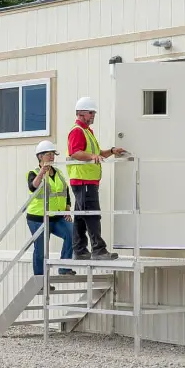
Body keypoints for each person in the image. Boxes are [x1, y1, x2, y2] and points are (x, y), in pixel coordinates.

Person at [67, 96, 126, 260]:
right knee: (92, 215)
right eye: (90, 113)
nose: (93, 115)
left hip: (86, 181)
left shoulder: (87, 132)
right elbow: (75, 153)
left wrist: (112, 151)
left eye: (94, 113)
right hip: (83, 180)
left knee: (81, 216)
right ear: (80, 113)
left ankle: (80, 250)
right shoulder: (77, 131)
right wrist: (93, 156)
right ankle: (98, 249)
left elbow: (97, 154)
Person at [27, 140, 75, 277]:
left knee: (72, 233)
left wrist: (67, 209)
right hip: (38, 218)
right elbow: (33, 186)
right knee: (41, 248)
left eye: (53, 154)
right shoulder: (33, 172)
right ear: (40, 157)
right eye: (48, 154)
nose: (52, 157)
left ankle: (64, 268)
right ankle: (40, 279)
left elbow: (65, 191)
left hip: (57, 216)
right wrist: (41, 173)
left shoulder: (58, 173)